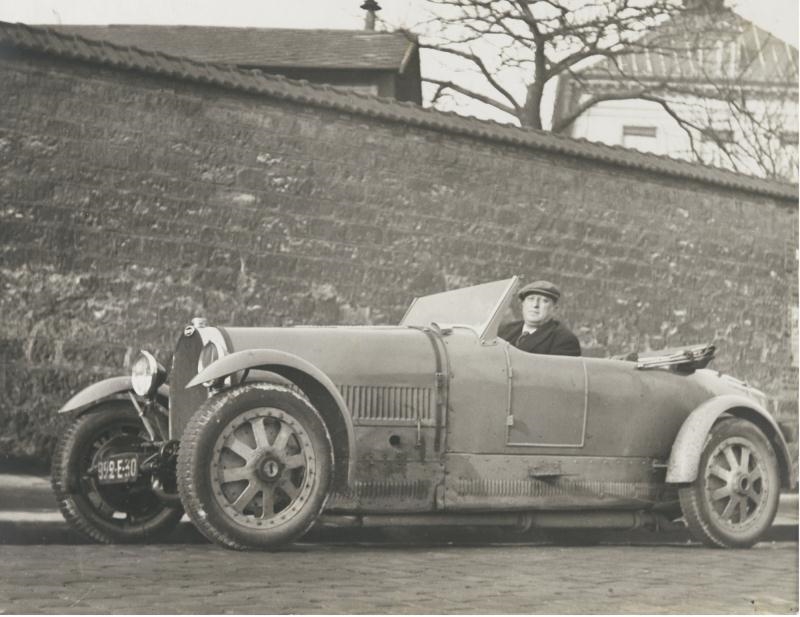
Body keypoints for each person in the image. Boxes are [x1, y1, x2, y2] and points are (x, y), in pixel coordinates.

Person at [499, 280, 581, 356]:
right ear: (523, 304)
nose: (535, 305)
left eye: (544, 301)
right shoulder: (505, 330)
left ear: (554, 309)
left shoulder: (564, 340)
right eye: (531, 299)